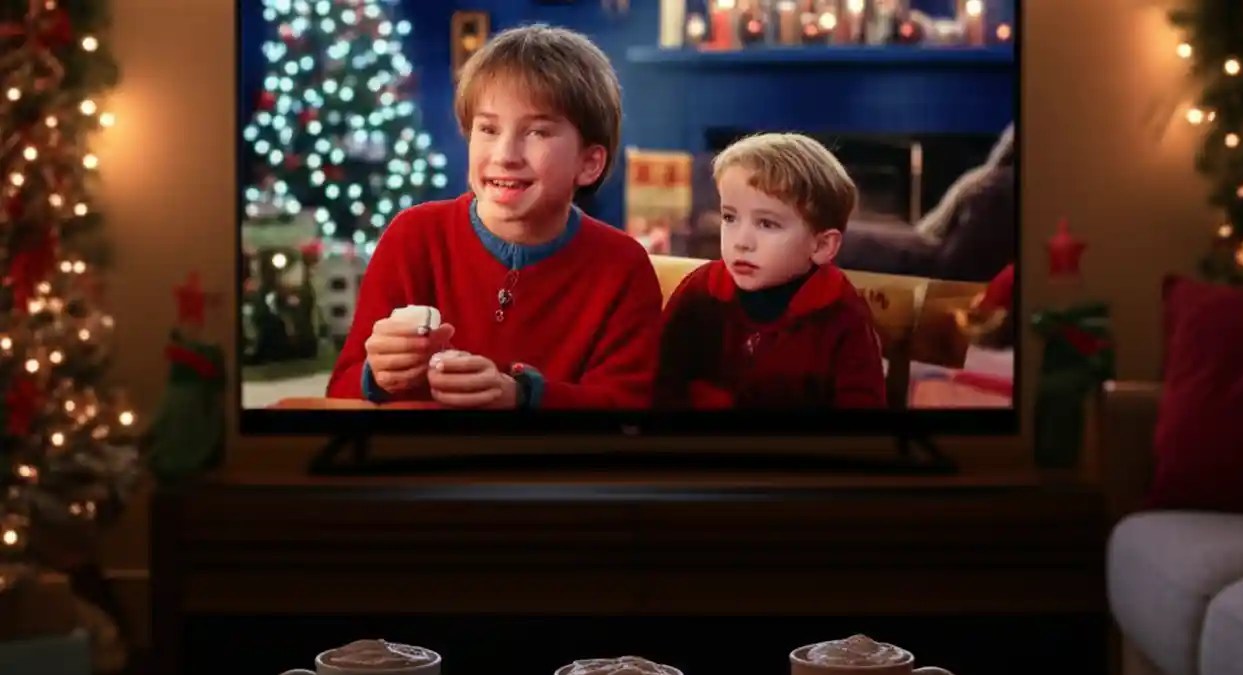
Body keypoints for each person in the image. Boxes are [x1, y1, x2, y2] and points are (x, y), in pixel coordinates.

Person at [326, 24, 663, 409]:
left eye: (536, 132)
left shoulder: (623, 267)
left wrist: (521, 398)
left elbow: (625, 411)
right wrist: (377, 376)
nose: (505, 154)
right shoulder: (413, 235)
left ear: (588, 163)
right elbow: (341, 390)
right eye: (487, 128)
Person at [653, 133, 887, 409]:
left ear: (822, 245)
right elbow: (658, 383)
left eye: (766, 223)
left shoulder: (841, 313)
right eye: (730, 217)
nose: (741, 241)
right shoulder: (702, 290)